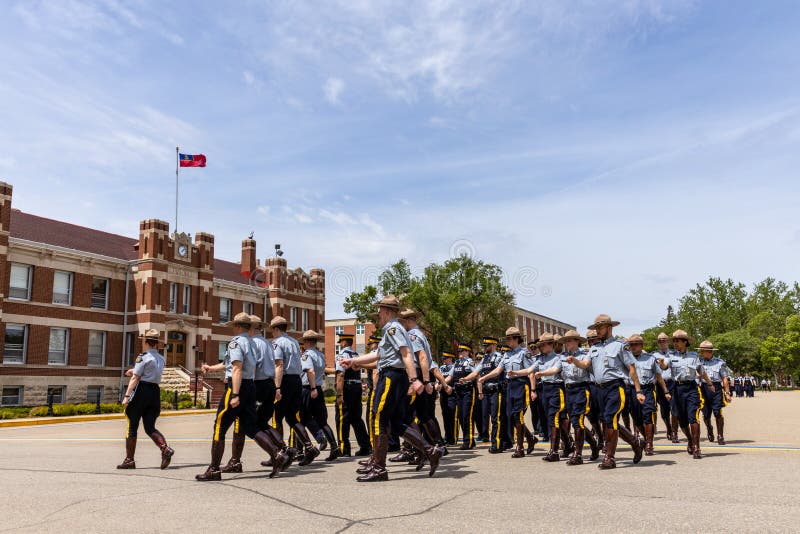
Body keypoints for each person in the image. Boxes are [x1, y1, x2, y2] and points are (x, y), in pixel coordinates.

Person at [339, 295, 441, 482]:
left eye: (379, 311)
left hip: (391, 377)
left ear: (386, 311)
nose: (377, 315)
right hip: (395, 376)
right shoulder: (392, 330)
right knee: (398, 422)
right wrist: (355, 361)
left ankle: (379, 467)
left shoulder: (393, 328)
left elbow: (406, 353)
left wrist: (414, 379)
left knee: (379, 417)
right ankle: (429, 450)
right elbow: (379, 354)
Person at [196, 313, 290, 481]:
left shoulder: (236, 342)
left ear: (238, 326)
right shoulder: (253, 343)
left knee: (220, 426)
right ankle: (277, 454)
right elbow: (232, 364)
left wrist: (235, 394)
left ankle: (214, 469)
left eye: (234, 326)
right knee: (251, 427)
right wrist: (211, 368)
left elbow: (237, 368)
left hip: (237, 386)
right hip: (251, 386)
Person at [566, 314, 644, 470]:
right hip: (600, 390)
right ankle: (635, 443)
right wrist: (574, 361)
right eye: (595, 328)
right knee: (608, 421)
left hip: (616, 387)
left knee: (610, 419)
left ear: (609, 328)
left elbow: (631, 368)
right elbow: (585, 364)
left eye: (599, 328)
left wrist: (638, 390)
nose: (597, 331)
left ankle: (609, 457)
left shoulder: (620, 345)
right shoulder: (593, 348)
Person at [220, 315, 283, 474]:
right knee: (257, 423)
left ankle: (278, 451)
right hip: (265, 384)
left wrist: (236, 393)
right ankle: (282, 450)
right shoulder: (267, 344)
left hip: (253, 384)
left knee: (240, 425)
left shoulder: (247, 342)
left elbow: (240, 368)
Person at [118, 329, 174, 470]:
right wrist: (134, 370)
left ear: (145, 341)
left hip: (141, 391)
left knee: (132, 425)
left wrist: (126, 397)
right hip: (154, 392)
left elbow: (136, 378)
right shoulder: (161, 359)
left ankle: (129, 460)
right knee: (150, 427)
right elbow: (149, 372)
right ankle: (165, 448)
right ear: (156, 343)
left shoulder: (142, 357)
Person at [478, 327, 536, 458]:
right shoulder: (507, 355)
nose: (508, 341)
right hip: (510, 386)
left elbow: (531, 371)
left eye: (509, 338)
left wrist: (533, 390)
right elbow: (498, 370)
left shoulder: (524, 353)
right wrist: (484, 378)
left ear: (516, 339)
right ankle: (530, 438)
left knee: (517, 415)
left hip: (521, 385)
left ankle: (520, 448)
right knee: (511, 416)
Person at [270, 315, 320, 466]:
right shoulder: (293, 342)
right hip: (297, 381)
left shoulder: (277, 343)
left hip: (284, 381)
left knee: (277, 418)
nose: (272, 332)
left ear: (276, 329)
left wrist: (277, 387)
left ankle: (279, 452)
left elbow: (279, 365)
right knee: (292, 418)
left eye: (272, 329)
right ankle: (309, 446)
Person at [510, 333, 566, 462]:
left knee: (554, 419)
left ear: (550, 345)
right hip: (545, 389)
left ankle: (554, 451)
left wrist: (542, 373)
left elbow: (555, 370)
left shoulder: (558, 358)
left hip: (556, 389)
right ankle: (568, 444)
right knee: (551, 419)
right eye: (539, 346)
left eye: (542, 345)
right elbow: (529, 370)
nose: (540, 348)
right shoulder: (540, 359)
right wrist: (515, 373)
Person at [662, 330, 716, 459]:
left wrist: (709, 384)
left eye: (678, 341)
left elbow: (701, 371)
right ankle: (690, 440)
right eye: (674, 341)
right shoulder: (671, 355)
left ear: (685, 342)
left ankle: (697, 447)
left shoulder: (693, 356)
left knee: (693, 417)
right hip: (677, 389)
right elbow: (664, 366)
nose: (675, 343)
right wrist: (661, 364)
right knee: (681, 419)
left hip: (691, 388)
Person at [558, 330, 600, 465]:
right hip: (568, 390)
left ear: (577, 341)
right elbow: (555, 369)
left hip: (582, 389)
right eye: (566, 341)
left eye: (570, 340)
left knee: (578, 421)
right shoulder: (562, 356)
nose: (567, 343)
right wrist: (541, 373)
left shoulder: (585, 354)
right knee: (575, 421)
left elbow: (585, 365)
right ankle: (593, 443)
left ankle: (578, 454)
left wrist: (575, 360)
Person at [459, 337, 507, 453]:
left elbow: (497, 372)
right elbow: (476, 372)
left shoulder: (498, 357)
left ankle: (497, 444)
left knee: (496, 419)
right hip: (487, 392)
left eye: (486, 345)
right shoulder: (485, 358)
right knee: (489, 418)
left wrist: (484, 378)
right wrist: (465, 379)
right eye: (484, 346)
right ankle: (497, 442)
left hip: (497, 391)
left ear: (493, 345)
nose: (484, 348)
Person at [300, 330, 341, 461]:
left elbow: (310, 371)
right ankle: (334, 447)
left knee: (301, 419)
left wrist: (312, 388)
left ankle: (303, 450)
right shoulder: (321, 355)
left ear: (307, 342)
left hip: (308, 388)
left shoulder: (306, 355)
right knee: (322, 421)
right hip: (319, 388)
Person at [628, 334, 671, 455]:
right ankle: (646, 438)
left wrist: (665, 390)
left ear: (641, 345)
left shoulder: (650, 358)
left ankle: (649, 443)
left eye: (636, 344)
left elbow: (658, 376)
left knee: (648, 415)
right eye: (631, 344)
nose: (633, 347)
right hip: (631, 390)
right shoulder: (625, 359)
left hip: (647, 390)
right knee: (637, 419)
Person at [335, 333, 372, 457]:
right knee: (356, 419)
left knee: (342, 418)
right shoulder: (355, 355)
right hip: (357, 387)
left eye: (340, 342)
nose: (340, 345)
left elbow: (340, 374)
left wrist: (339, 394)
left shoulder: (342, 355)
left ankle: (344, 448)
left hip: (347, 388)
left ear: (344, 343)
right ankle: (365, 446)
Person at [698, 340, 732, 446]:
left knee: (717, 412)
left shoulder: (720, 362)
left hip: (716, 388)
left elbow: (725, 378)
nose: (703, 352)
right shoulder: (698, 362)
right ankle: (709, 428)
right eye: (702, 350)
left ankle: (720, 436)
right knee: (706, 414)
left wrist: (727, 393)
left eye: (704, 350)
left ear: (710, 351)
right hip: (703, 388)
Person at [653, 332, 678, 443]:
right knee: (664, 410)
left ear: (668, 341)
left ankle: (674, 432)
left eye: (664, 340)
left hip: (672, 383)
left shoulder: (674, 354)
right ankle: (668, 428)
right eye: (660, 341)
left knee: (674, 408)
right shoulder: (653, 356)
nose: (662, 342)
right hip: (659, 384)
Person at [453, 343, 478, 449]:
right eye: (459, 351)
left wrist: (467, 379)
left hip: (468, 391)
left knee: (467, 416)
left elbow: (476, 373)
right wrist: (442, 384)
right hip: (459, 392)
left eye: (462, 351)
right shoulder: (457, 363)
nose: (460, 353)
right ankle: (468, 439)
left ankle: (469, 441)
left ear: (467, 352)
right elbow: (450, 375)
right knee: (461, 416)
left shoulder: (470, 362)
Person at [438, 351, 457, 445]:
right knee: (445, 416)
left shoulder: (454, 366)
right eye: (443, 359)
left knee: (451, 416)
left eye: (445, 358)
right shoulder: (441, 368)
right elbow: (438, 378)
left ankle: (453, 437)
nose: (444, 360)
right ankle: (447, 436)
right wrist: (438, 385)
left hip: (451, 394)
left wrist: (441, 384)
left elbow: (450, 377)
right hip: (443, 394)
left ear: (450, 358)